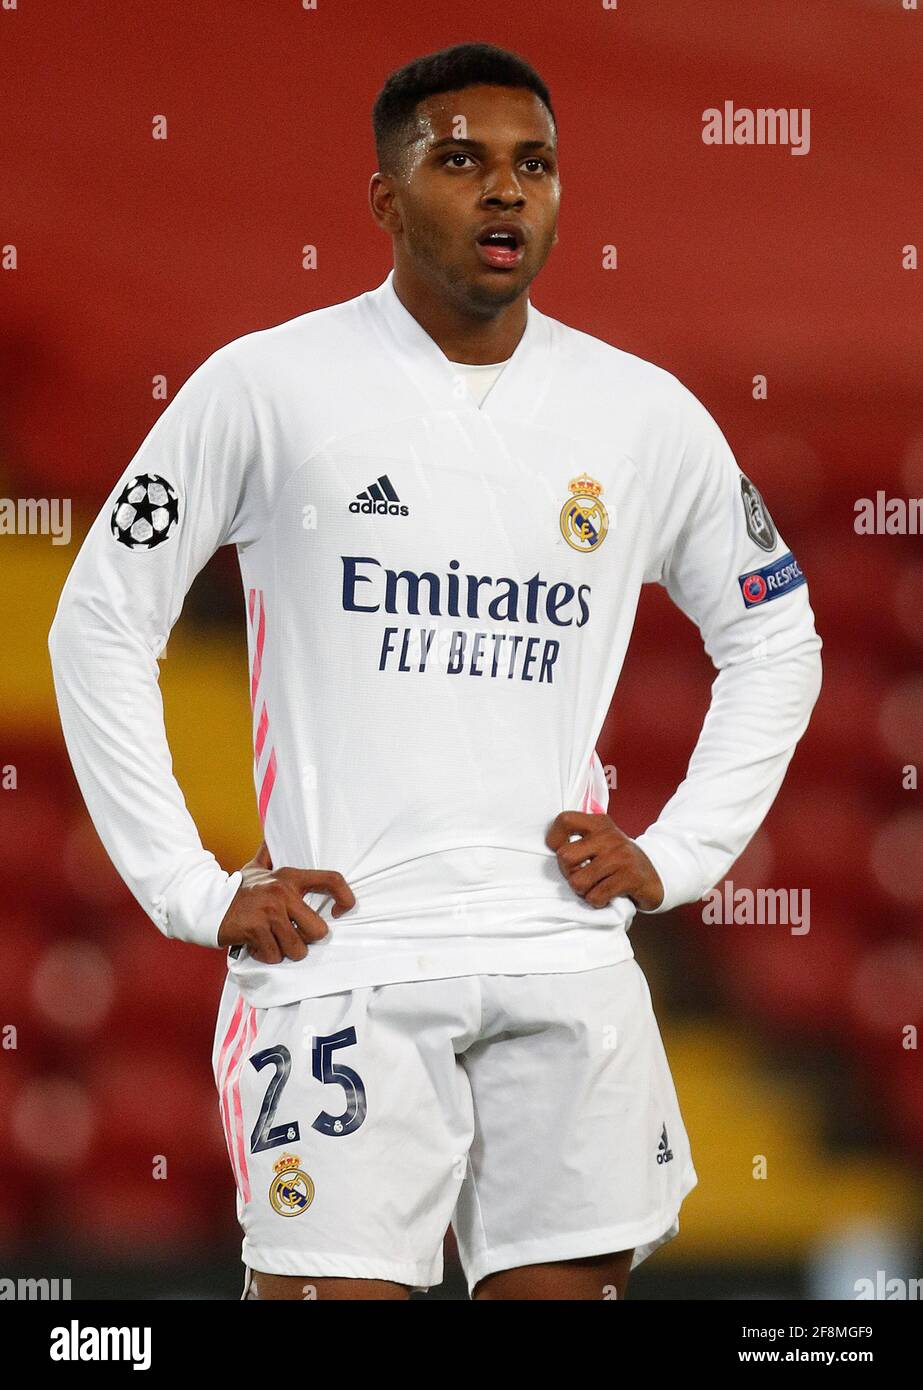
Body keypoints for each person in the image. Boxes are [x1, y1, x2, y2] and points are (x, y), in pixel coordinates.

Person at [48, 41, 822, 1300]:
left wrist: (681, 856)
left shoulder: (642, 413)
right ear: (384, 197)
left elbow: (773, 633)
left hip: (563, 959)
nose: (505, 192)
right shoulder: (265, 385)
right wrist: (190, 889)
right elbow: (96, 620)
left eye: (534, 165)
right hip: (346, 961)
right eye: (460, 161)